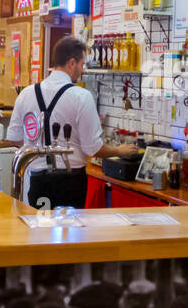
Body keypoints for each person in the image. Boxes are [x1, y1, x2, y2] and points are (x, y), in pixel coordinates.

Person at [8, 37, 137, 207]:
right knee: (69, 232)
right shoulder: (81, 96)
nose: (82, 70)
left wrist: (38, 147)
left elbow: (14, 138)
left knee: (39, 230)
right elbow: (93, 148)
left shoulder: (26, 93)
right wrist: (119, 151)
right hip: (70, 183)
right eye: (82, 64)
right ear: (71, 63)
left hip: (37, 180)